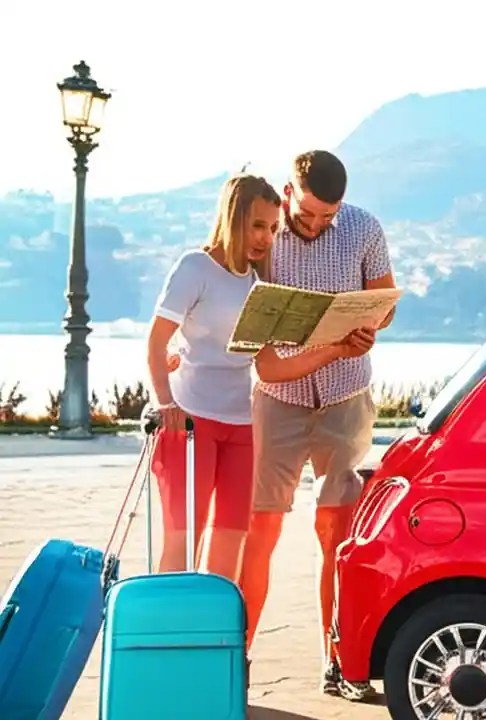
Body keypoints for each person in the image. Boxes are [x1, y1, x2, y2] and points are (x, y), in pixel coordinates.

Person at [145, 173, 375, 584]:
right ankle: (169, 641)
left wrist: (336, 349)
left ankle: (213, 644)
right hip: (190, 422)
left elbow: (269, 368)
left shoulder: (256, 285)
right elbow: (156, 341)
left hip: (242, 427)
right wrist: (166, 402)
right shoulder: (195, 268)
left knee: (230, 545)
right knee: (183, 543)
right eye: (257, 225)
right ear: (233, 218)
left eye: (272, 228)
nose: (267, 237)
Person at [238, 150, 395, 700]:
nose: (316, 223)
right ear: (289, 191)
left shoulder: (364, 228)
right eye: (307, 212)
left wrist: (370, 324)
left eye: (327, 215)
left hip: (346, 398)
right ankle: (239, 659)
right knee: (260, 535)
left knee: (338, 534)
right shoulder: (263, 233)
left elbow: (385, 301)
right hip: (277, 399)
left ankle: (339, 660)